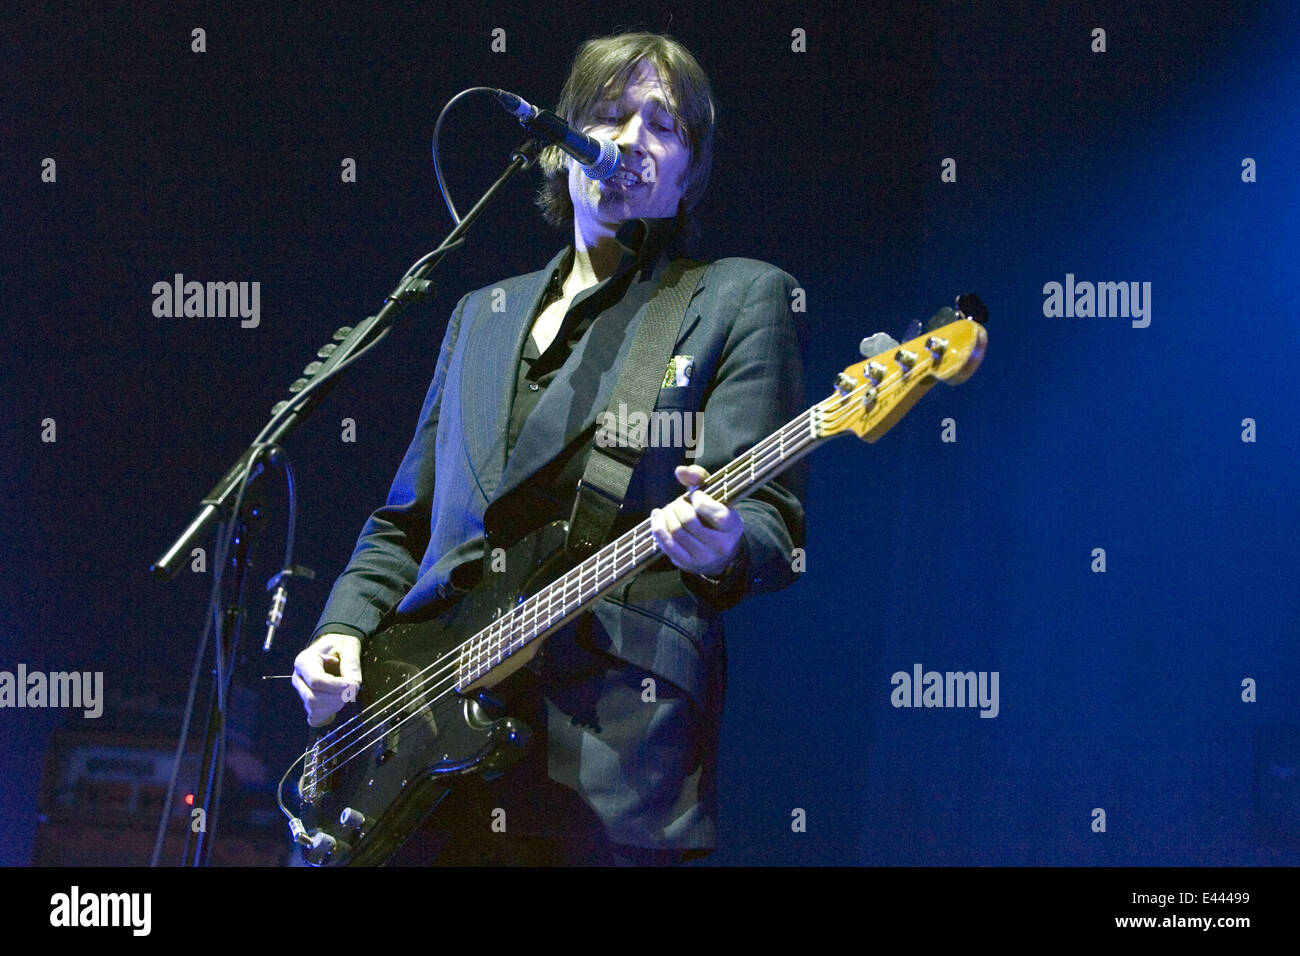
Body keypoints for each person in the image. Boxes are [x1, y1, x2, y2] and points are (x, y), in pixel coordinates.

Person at [292, 31, 808, 865]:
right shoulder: (479, 315)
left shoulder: (740, 296)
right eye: (607, 116)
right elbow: (405, 523)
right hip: (419, 745)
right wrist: (342, 631)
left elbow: (773, 525)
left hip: (604, 751)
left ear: (688, 173)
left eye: (662, 126)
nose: (630, 140)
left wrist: (724, 545)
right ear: (556, 149)